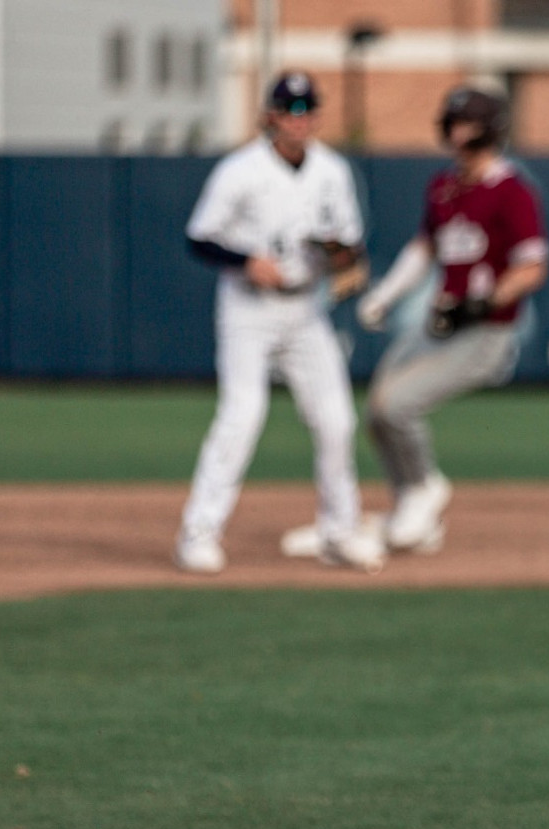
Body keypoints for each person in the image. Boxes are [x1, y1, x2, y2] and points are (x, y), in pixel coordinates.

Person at [322, 86, 549, 556]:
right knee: (378, 413)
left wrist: (485, 302)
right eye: (453, 122)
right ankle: (414, 509)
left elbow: (532, 266)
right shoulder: (444, 187)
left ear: (489, 130)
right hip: (439, 320)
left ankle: (426, 488)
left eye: (465, 123)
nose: (456, 132)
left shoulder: (511, 191)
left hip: (486, 331)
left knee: (397, 406)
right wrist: (384, 295)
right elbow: (425, 248)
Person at [175, 71, 383, 574]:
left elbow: (350, 243)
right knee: (242, 416)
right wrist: (246, 261)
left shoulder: (331, 171)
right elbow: (199, 237)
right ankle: (198, 533)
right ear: (270, 116)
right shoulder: (240, 170)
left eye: (309, 109)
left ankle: (339, 531)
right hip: (249, 308)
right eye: (292, 110)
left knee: (336, 420)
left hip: (306, 309)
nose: (302, 119)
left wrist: (343, 260)